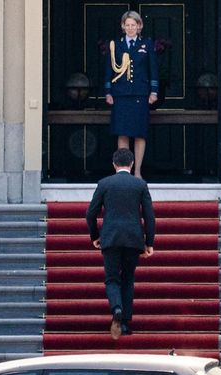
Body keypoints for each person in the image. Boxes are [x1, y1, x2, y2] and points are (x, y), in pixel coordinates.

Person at [86, 148, 155, 340]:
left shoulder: (104, 184)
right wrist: (149, 242)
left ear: (114, 164)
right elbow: (149, 216)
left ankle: (116, 308)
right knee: (128, 279)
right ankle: (124, 322)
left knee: (112, 279)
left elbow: (91, 213)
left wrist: (95, 235)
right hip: (133, 239)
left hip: (110, 238)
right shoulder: (140, 184)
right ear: (132, 164)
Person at [104, 10, 159, 178]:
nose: (130, 28)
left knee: (139, 133)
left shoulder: (147, 44)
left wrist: (154, 91)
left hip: (140, 94)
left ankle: (137, 171)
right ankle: (123, 172)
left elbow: (153, 69)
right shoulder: (116, 44)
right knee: (123, 133)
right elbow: (109, 69)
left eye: (133, 25)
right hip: (120, 94)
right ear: (123, 26)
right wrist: (108, 91)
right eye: (127, 25)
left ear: (139, 26)